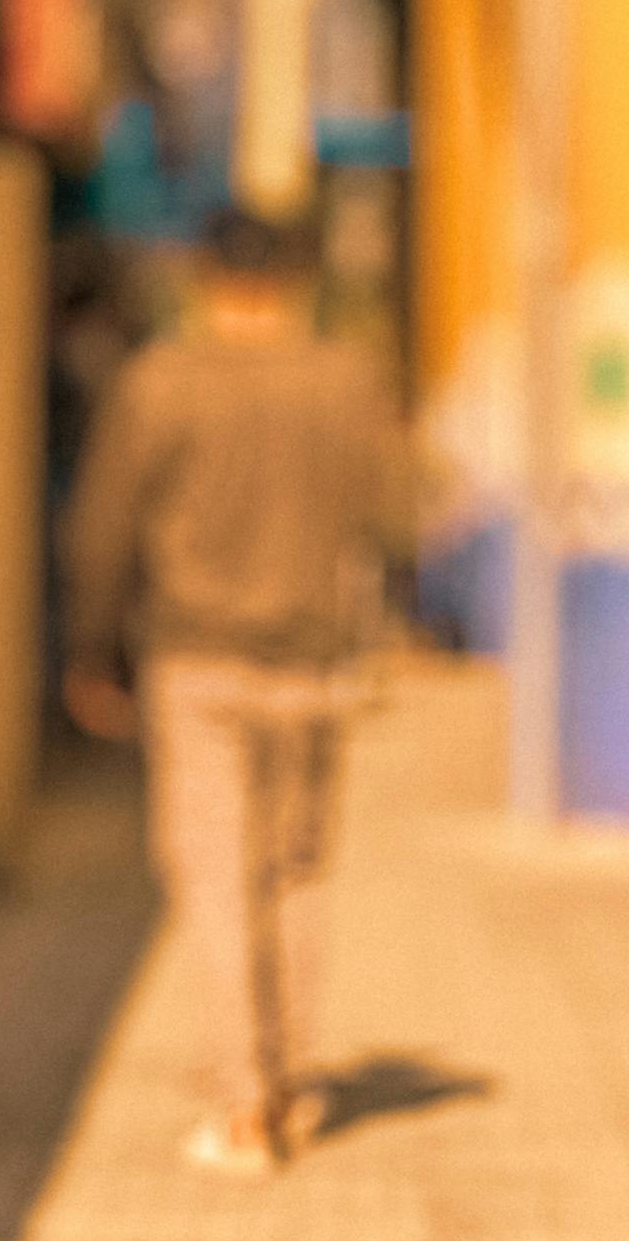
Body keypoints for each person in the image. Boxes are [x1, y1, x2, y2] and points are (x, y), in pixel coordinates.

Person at [60, 207, 407, 1170]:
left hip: (196, 659)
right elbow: (399, 511)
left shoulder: (159, 383)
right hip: (314, 663)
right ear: (297, 281)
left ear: (204, 281)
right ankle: (287, 1084)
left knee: (215, 876)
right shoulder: (347, 380)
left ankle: (242, 1104)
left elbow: (102, 526)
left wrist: (90, 650)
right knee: (296, 870)